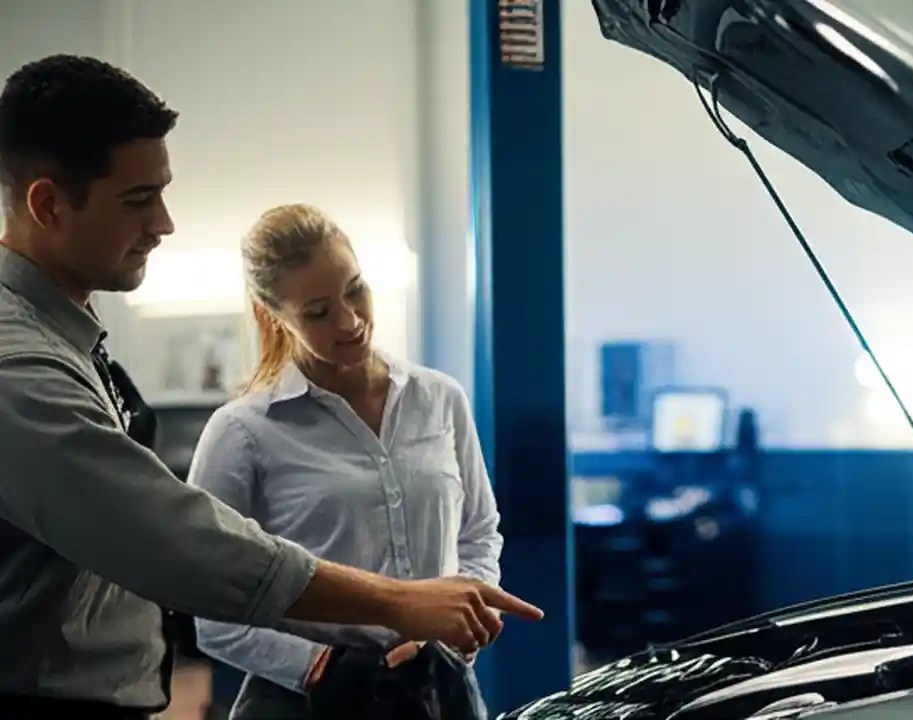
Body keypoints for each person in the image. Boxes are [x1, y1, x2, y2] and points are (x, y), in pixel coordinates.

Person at [0, 54, 541, 719]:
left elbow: (479, 533)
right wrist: (384, 615)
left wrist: (448, 626)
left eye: (354, 293)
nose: (164, 224)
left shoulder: (72, 340)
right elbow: (175, 545)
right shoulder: (20, 366)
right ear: (49, 204)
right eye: (139, 201)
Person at [189, 203, 500, 718]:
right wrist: (323, 667)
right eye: (318, 312)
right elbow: (212, 608)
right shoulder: (242, 432)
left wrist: (465, 614)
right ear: (273, 316)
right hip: (307, 702)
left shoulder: (440, 399)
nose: (350, 321)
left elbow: (478, 532)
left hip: (440, 691)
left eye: (355, 289)